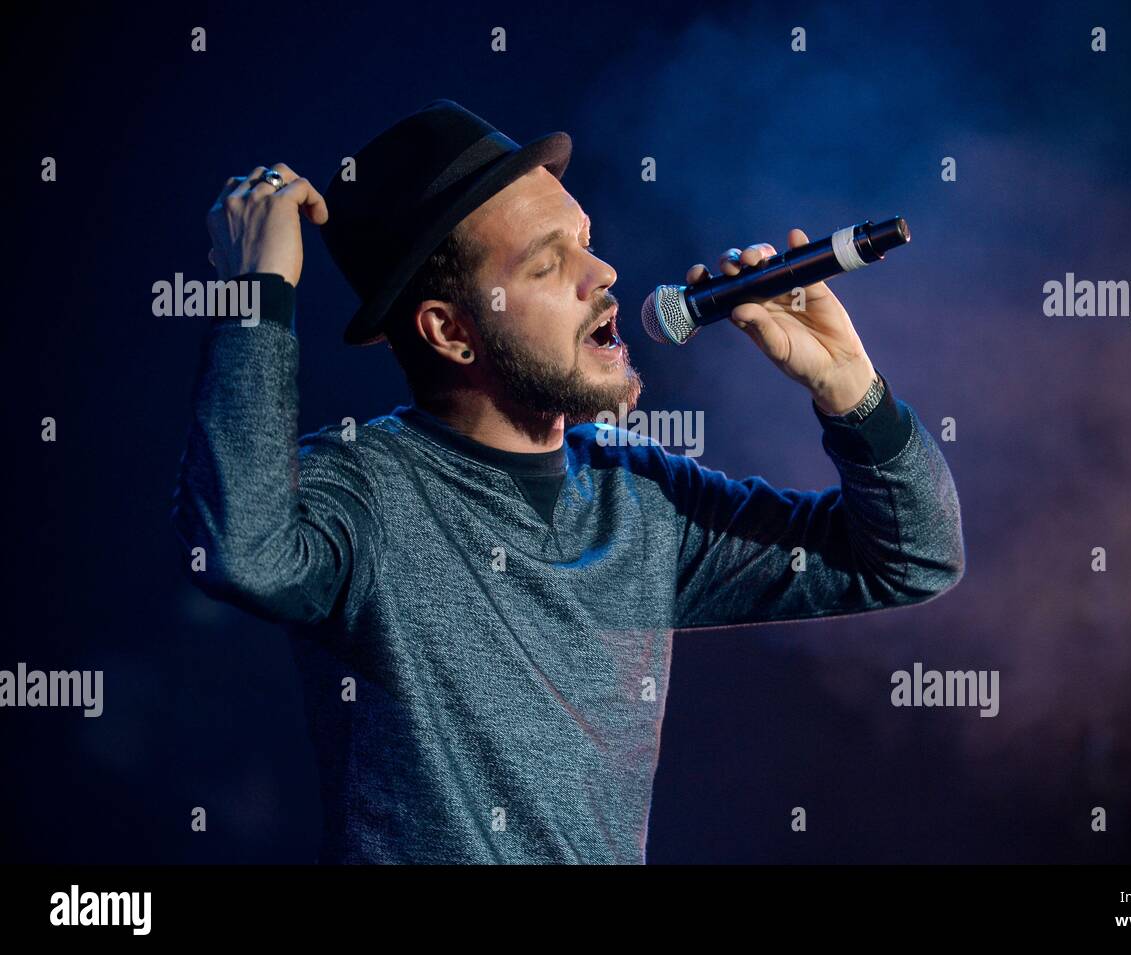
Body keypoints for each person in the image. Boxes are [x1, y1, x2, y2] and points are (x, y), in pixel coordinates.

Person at [171, 99, 965, 863]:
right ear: (451, 329)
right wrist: (255, 295)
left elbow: (911, 556)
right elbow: (241, 549)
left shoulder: (642, 496)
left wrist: (853, 394)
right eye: (551, 263)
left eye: (585, 239)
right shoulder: (367, 492)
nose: (604, 272)